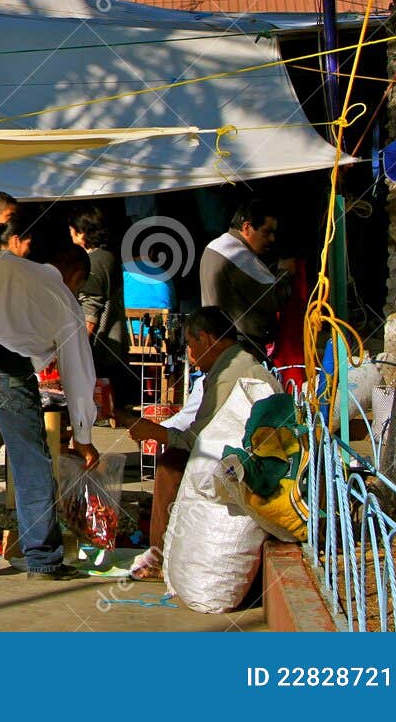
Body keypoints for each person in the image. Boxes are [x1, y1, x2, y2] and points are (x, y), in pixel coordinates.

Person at [0, 207, 99, 580]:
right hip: (6, 366)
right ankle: (42, 557)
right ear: (75, 274)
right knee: (30, 462)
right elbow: (78, 370)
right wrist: (84, 434)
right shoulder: (60, 292)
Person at [126, 306, 280, 581]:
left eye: (190, 343)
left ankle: (159, 557)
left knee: (171, 464)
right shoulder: (234, 362)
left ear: (207, 339)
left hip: (243, 462)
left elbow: (200, 440)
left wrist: (155, 432)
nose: (189, 353)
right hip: (241, 453)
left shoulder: (231, 371)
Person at [199, 201, 295, 352]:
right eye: (266, 232)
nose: (272, 239)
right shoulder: (238, 255)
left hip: (220, 343)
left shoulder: (214, 247)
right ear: (246, 227)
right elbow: (274, 297)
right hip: (241, 347)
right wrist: (285, 273)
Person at [69, 204, 132, 407]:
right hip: (113, 339)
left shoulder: (94, 263)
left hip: (101, 345)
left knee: (99, 402)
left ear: (81, 232)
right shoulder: (108, 256)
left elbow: (90, 311)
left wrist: (76, 345)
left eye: (72, 230)